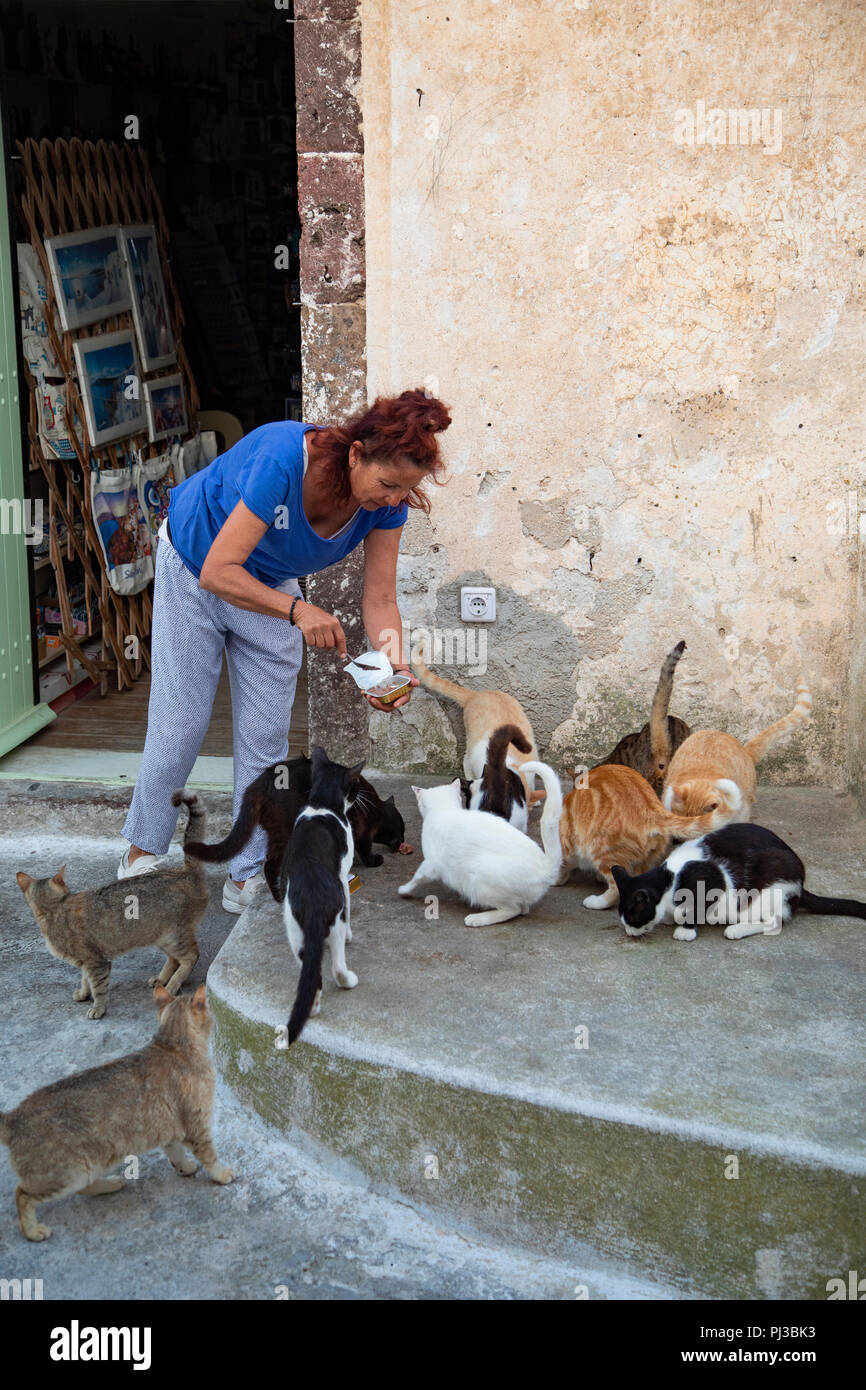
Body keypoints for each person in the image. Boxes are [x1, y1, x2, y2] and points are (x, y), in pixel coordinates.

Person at [118, 388, 451, 912]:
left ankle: (248, 872)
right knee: (180, 722)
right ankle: (140, 855)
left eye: (403, 491)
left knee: (266, 738)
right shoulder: (283, 458)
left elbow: (381, 598)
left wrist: (395, 669)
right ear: (356, 452)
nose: (392, 499)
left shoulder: (387, 507)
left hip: (268, 585)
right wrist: (299, 612)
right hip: (195, 564)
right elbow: (218, 572)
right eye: (387, 484)